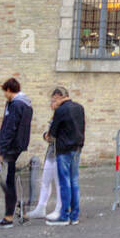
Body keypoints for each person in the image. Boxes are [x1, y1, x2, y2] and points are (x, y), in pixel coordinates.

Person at [0, 77, 32, 228]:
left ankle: (9, 217)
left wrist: (2, 150)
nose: (4, 95)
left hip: (11, 148)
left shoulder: (15, 105)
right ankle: (19, 209)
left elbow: (11, 129)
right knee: (9, 179)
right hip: (17, 146)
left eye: (5, 91)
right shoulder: (25, 104)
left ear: (9, 90)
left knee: (8, 182)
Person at [46, 87, 84, 225]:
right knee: (74, 181)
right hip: (77, 148)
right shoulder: (80, 108)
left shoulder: (60, 110)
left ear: (58, 96)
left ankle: (64, 216)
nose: (53, 101)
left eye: (53, 99)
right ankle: (74, 216)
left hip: (64, 150)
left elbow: (52, 135)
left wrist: (46, 136)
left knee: (64, 183)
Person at [29, 138, 59, 219]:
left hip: (60, 153)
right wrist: (46, 135)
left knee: (59, 184)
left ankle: (59, 209)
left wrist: (50, 135)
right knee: (45, 182)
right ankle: (40, 208)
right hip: (51, 153)